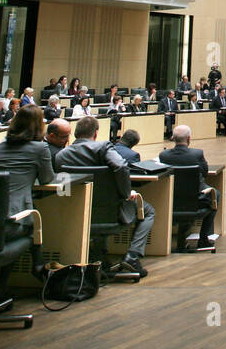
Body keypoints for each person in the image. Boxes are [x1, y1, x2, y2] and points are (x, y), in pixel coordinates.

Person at [55, 116, 154, 278]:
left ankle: (98, 256)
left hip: (76, 216)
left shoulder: (61, 156)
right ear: (95, 134)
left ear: (75, 134)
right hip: (111, 213)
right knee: (148, 211)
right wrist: (126, 193)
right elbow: (121, 166)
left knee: (97, 208)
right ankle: (133, 256)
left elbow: (63, 190)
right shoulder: (103, 147)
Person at [0, 104, 53, 280]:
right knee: (33, 230)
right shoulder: (40, 148)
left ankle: (2, 286)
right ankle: (38, 268)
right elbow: (47, 179)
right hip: (14, 219)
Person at [157, 125, 217, 248]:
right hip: (195, 200)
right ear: (189, 138)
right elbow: (204, 173)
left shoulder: (163, 155)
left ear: (173, 138)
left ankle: (179, 236)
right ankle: (203, 238)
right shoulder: (197, 154)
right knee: (216, 195)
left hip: (169, 199)